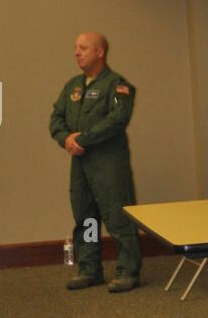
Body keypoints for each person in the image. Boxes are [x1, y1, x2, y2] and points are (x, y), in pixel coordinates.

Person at [49, 32, 141, 292]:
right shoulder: (73, 87)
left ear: (100, 52)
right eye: (76, 48)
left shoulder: (117, 86)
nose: (77, 52)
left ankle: (128, 270)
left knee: (118, 217)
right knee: (86, 217)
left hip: (109, 164)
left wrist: (83, 139)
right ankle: (90, 268)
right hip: (81, 165)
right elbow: (56, 118)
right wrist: (66, 138)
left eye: (83, 48)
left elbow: (117, 119)